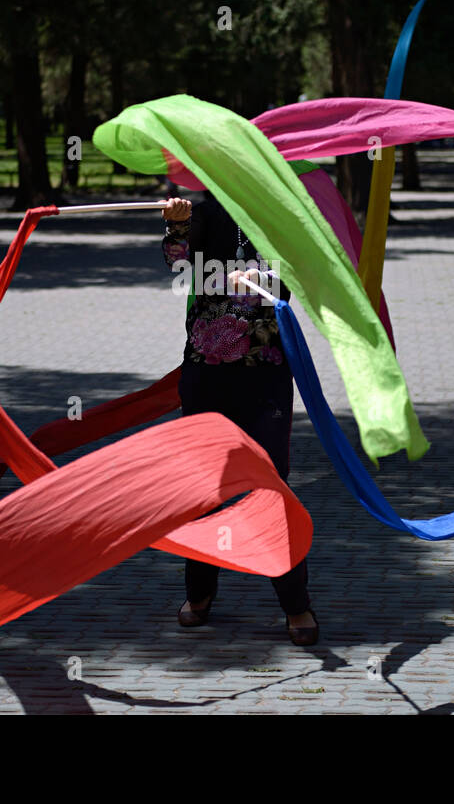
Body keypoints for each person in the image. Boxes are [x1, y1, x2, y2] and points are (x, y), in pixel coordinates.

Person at [161, 192, 319, 645]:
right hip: (206, 370)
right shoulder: (203, 209)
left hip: (265, 370)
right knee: (203, 486)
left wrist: (263, 276)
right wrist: (176, 225)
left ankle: (296, 603)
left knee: (272, 485)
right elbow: (181, 269)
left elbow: (297, 276)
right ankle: (200, 594)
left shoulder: (280, 209)